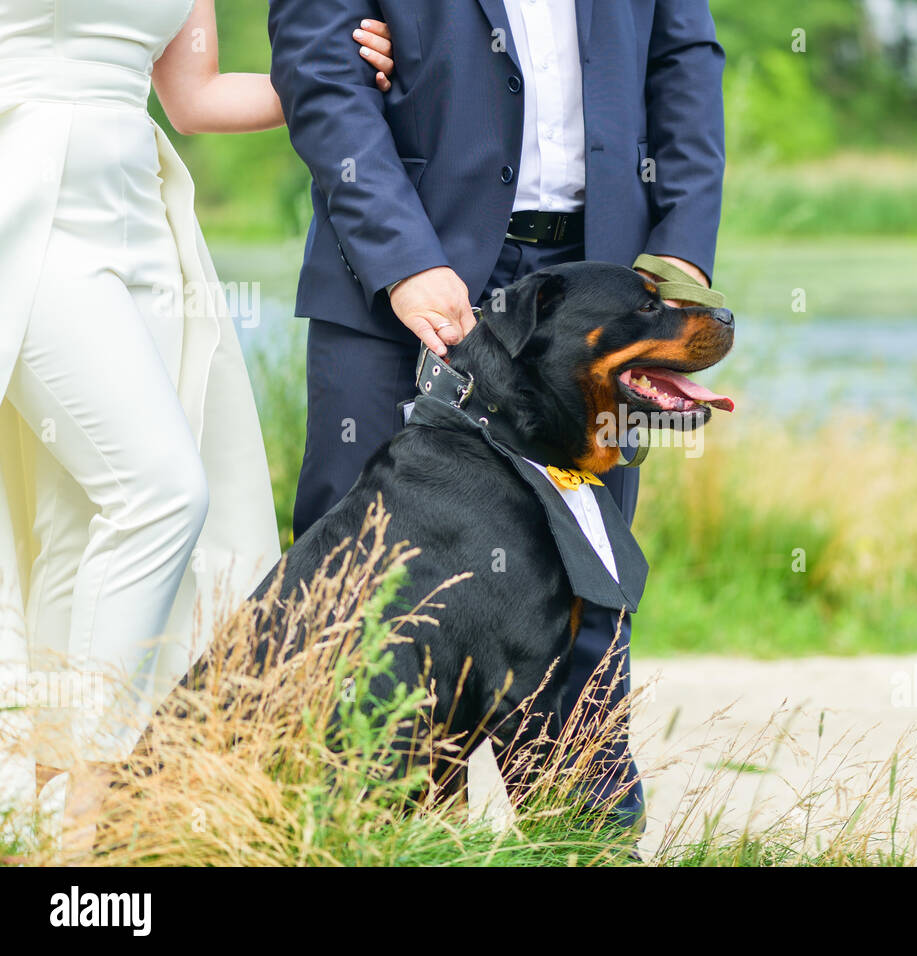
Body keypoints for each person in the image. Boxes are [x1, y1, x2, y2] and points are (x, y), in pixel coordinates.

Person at [270, 0, 725, 827]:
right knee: (358, 594)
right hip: (394, 270)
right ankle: (354, 841)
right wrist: (405, 262)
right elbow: (322, 71)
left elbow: (683, 56)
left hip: (603, 283)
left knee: (580, 597)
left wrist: (684, 241)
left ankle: (584, 845)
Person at [0, 0, 394, 854]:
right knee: (161, 492)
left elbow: (195, 95)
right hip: (23, 197)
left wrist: (335, 75)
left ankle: (34, 818)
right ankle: (87, 825)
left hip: (137, 212)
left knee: (81, 520)